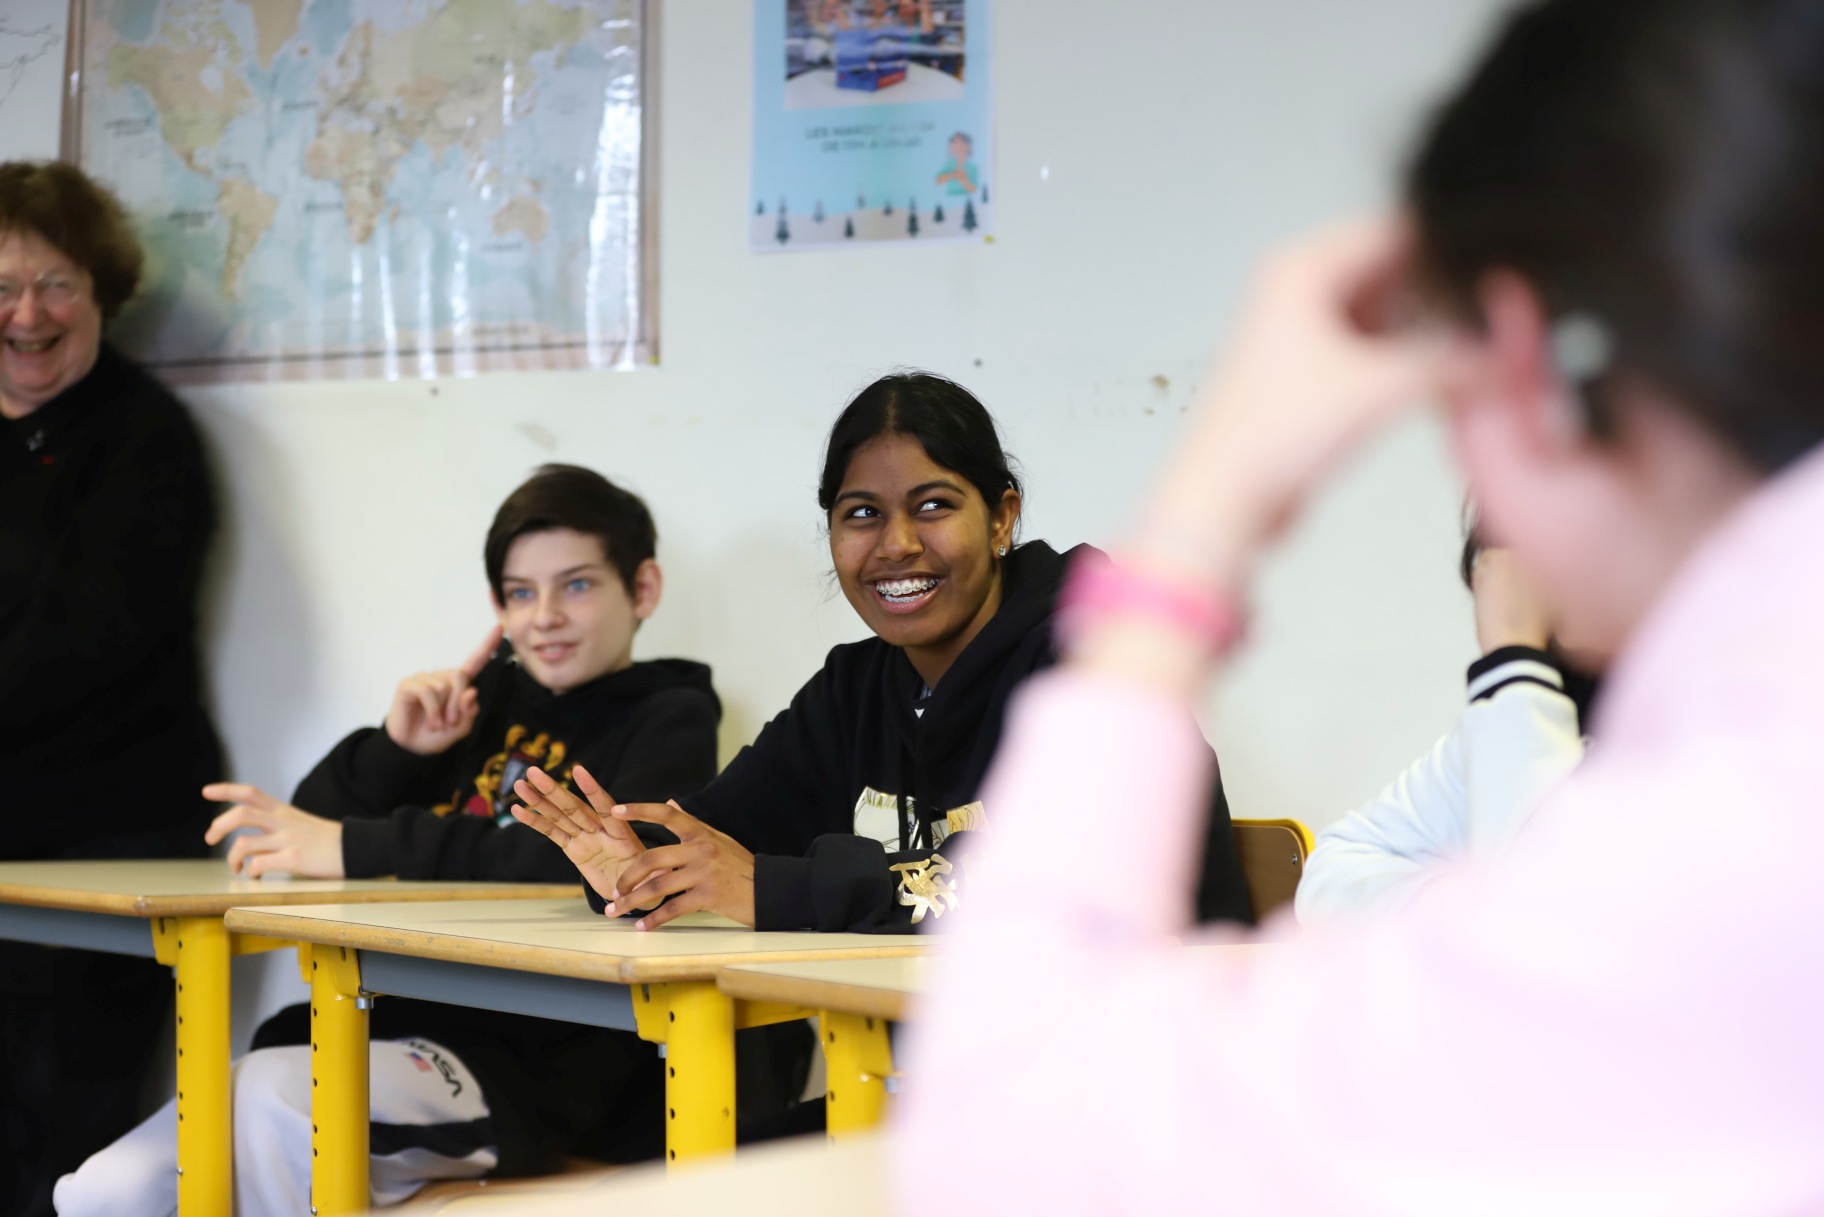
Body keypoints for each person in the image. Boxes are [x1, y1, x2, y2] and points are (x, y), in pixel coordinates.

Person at [902, 0, 1824, 1210]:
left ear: (1529, 365)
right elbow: (1360, 867)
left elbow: (1001, 1129)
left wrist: (1196, 523)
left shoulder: (1719, 839)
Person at [55, 465, 740, 1216]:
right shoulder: (477, 705)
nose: (544, 615)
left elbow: (607, 862)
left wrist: (362, 846)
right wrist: (398, 747)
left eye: (576, 585)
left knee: (271, 1111)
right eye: (519, 592)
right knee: (103, 1191)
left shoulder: (671, 714)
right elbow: (307, 832)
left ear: (642, 589)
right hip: (364, 1024)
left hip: (517, 1065)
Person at [512, 372, 1253, 937]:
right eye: (862, 514)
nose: (896, 544)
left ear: (1001, 518)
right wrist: (635, 863)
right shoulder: (854, 689)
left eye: (933, 505)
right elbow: (724, 831)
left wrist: (769, 888)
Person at [0, 161, 222, 1217]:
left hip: (110, 850)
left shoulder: (146, 438)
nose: (28, 313)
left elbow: (86, 643)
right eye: (2, 286)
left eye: (55, 284)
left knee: (65, 1148)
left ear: (100, 293)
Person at [1295, 534, 1591, 922]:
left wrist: (1513, 659)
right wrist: (1460, 904)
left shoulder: (1686, 734)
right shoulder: (1517, 716)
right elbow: (1328, 875)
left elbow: (1543, 925)